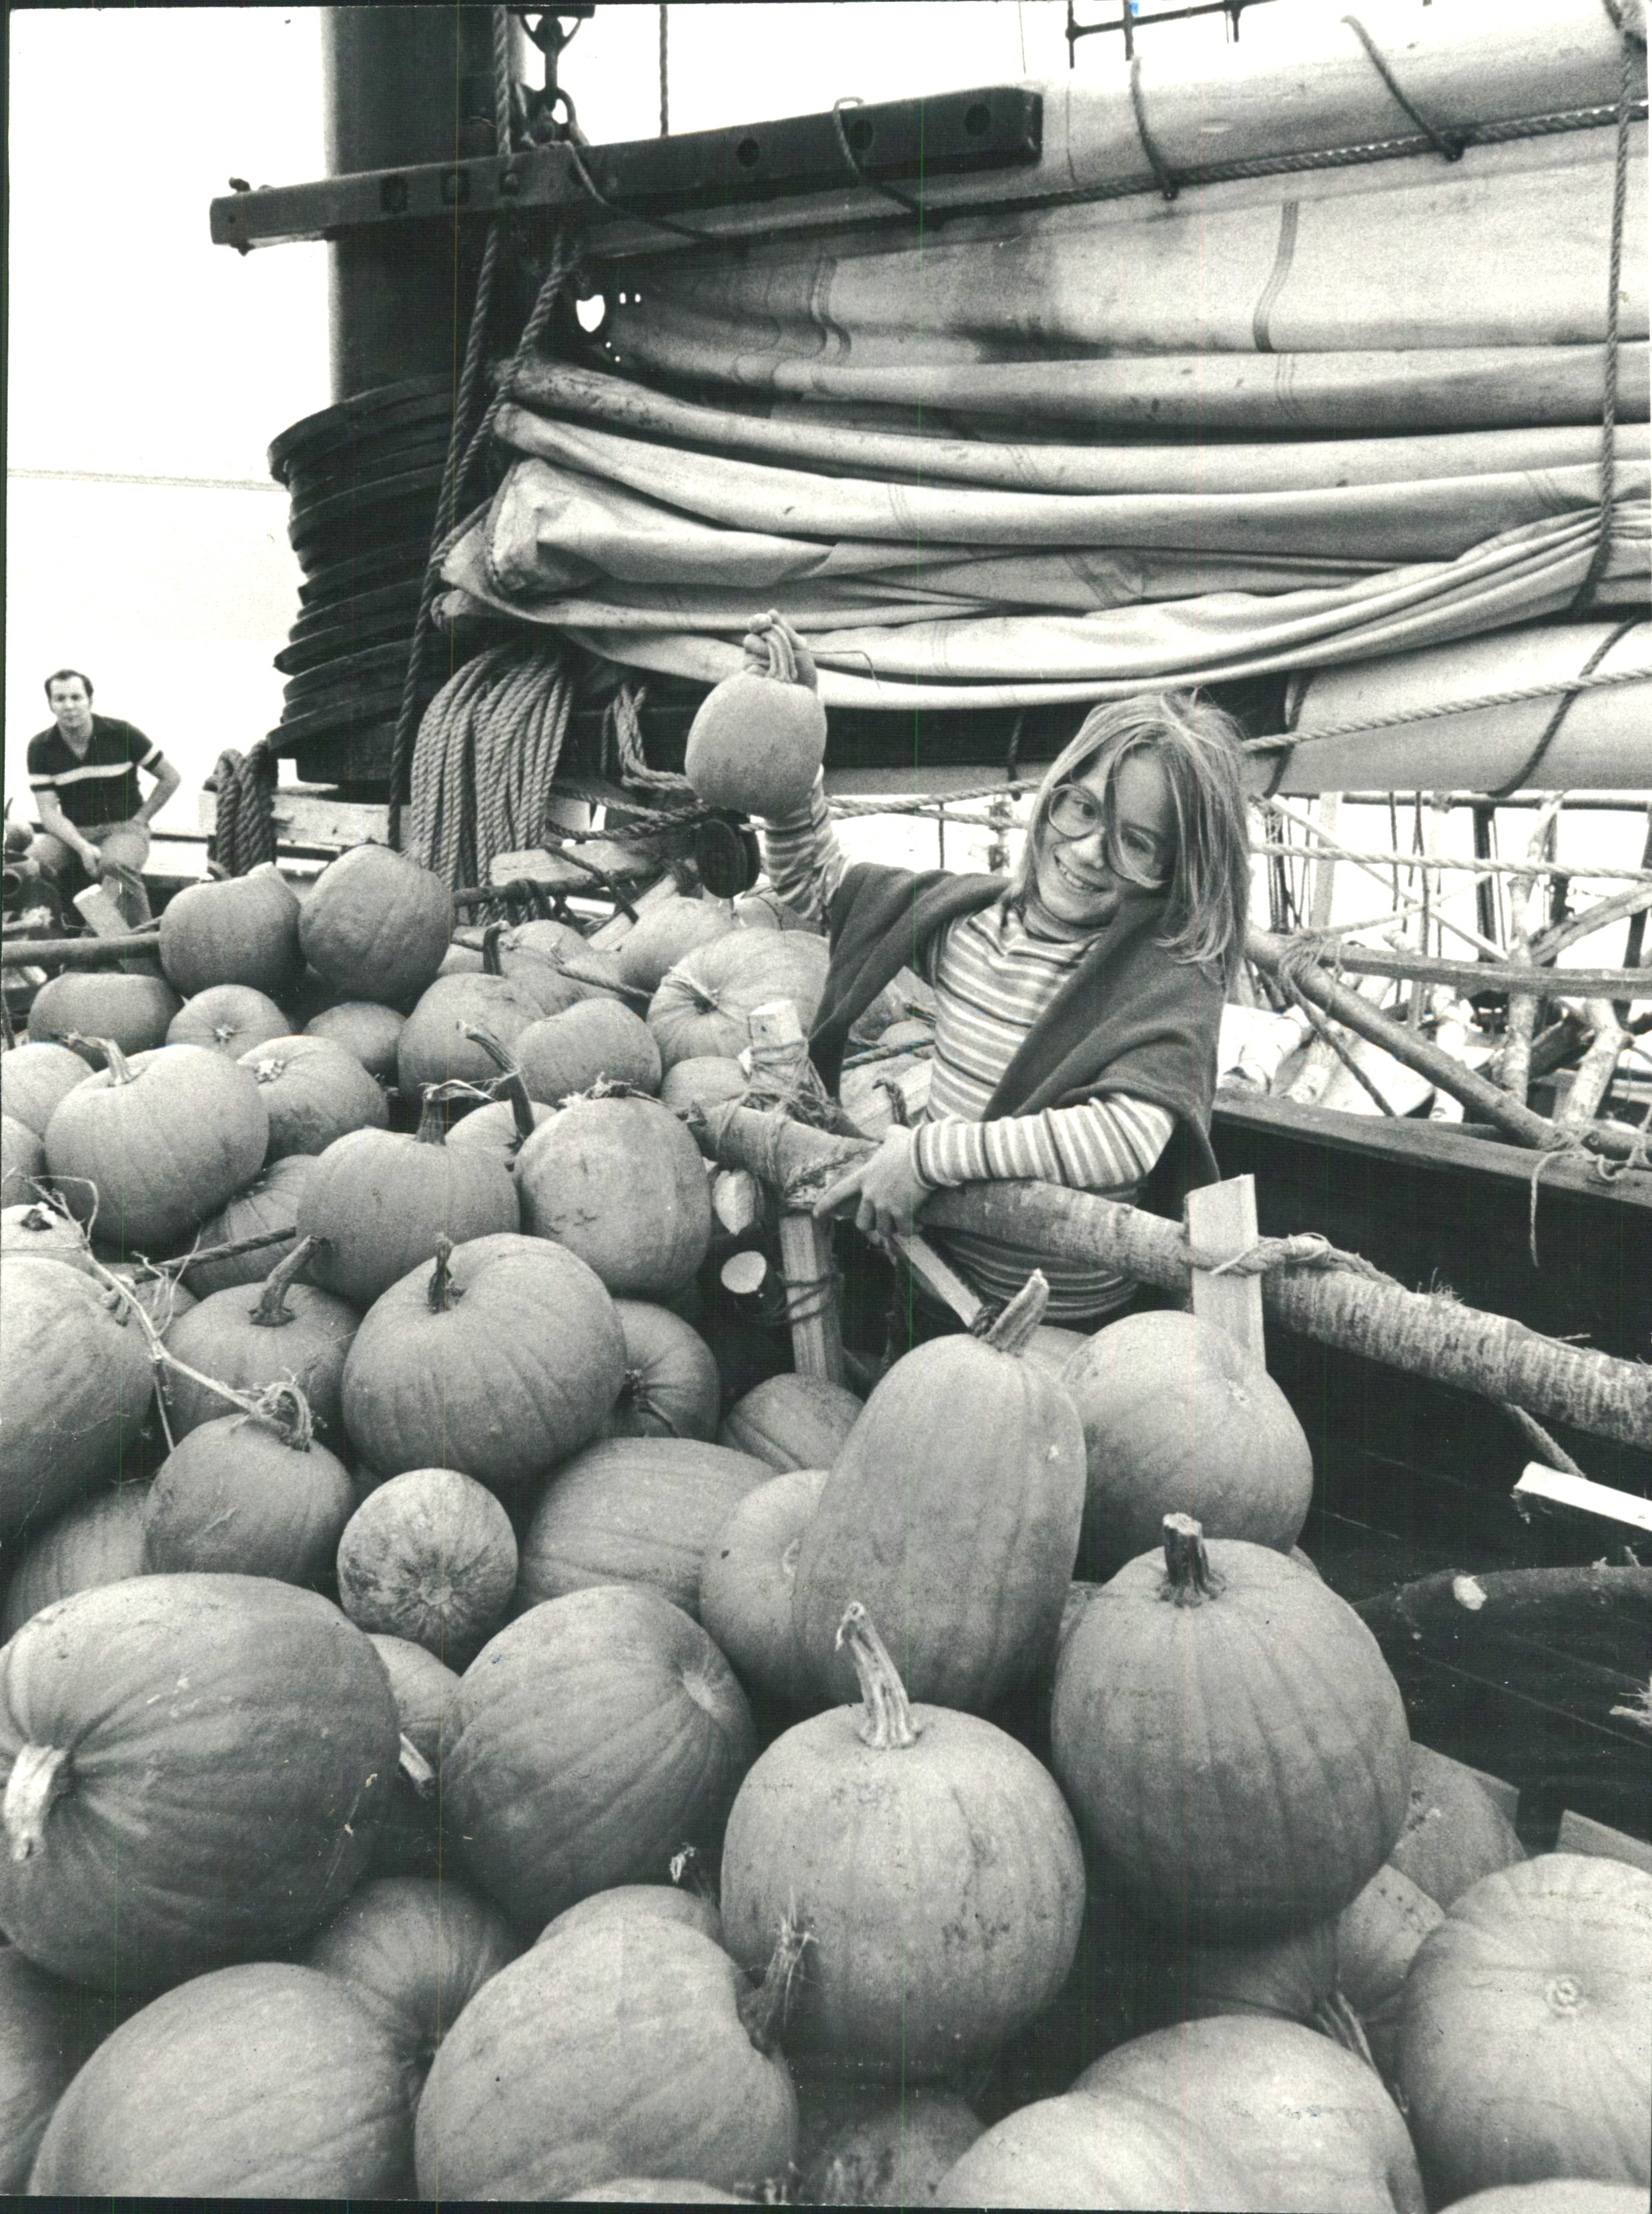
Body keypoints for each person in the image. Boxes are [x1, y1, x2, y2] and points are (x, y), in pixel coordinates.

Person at [753, 687, 1252, 1345]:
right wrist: (791, 727)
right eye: (1082, 809)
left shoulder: (1167, 978)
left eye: (1134, 841)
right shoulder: (964, 926)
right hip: (936, 1287)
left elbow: (1121, 1140)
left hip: (1072, 1329)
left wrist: (926, 1156)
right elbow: (815, 884)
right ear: (1053, 796)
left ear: (1178, 865)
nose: (1086, 852)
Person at [24, 671, 179, 928]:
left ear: (90, 700)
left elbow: (170, 777)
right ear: (50, 704)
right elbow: (49, 813)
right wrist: (82, 847)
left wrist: (141, 819)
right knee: (31, 868)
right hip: (73, 832)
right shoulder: (40, 746)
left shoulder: (121, 733)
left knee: (115, 865)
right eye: (60, 699)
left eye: (76, 697)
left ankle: (138, 942)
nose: (69, 706)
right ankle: (49, 935)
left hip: (124, 828)